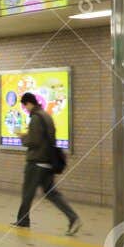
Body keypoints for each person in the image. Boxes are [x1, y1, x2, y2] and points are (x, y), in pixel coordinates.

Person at [14, 91, 81, 235]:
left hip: (36, 162)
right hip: (48, 162)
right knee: (52, 193)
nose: (26, 109)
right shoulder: (46, 116)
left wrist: (22, 137)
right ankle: (73, 217)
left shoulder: (36, 118)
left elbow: (34, 141)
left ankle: (23, 220)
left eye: (25, 106)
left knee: (27, 192)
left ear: (29, 103)